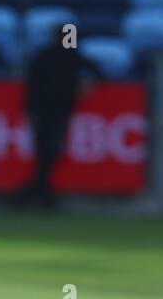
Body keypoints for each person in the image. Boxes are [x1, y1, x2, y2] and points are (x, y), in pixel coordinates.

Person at [22, 40, 103, 205]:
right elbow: (97, 71)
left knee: (48, 152)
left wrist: (31, 110)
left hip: (49, 113)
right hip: (54, 113)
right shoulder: (63, 57)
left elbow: (31, 85)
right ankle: (41, 190)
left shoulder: (48, 55)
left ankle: (40, 189)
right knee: (49, 152)